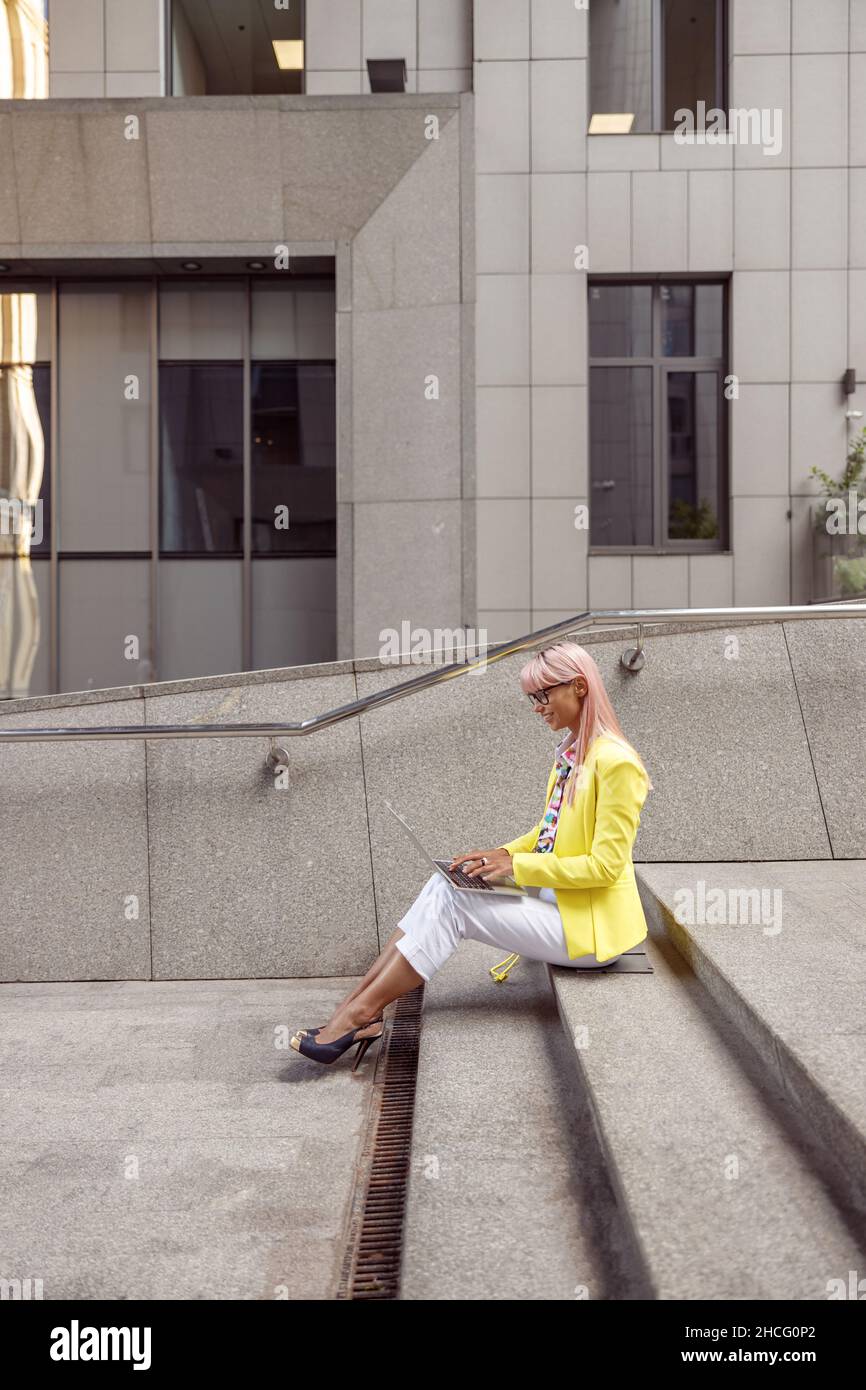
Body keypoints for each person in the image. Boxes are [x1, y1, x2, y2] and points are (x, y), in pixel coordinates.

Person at [290, 641, 654, 1068]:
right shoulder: (576, 753)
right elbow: (550, 831)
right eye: (531, 698)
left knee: (456, 904)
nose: (536, 707)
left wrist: (517, 866)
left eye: (542, 695)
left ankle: (359, 1014)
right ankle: (355, 1007)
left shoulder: (617, 763)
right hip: (556, 905)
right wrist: (500, 853)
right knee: (445, 881)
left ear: (577, 686)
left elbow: (605, 867)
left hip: (590, 931)